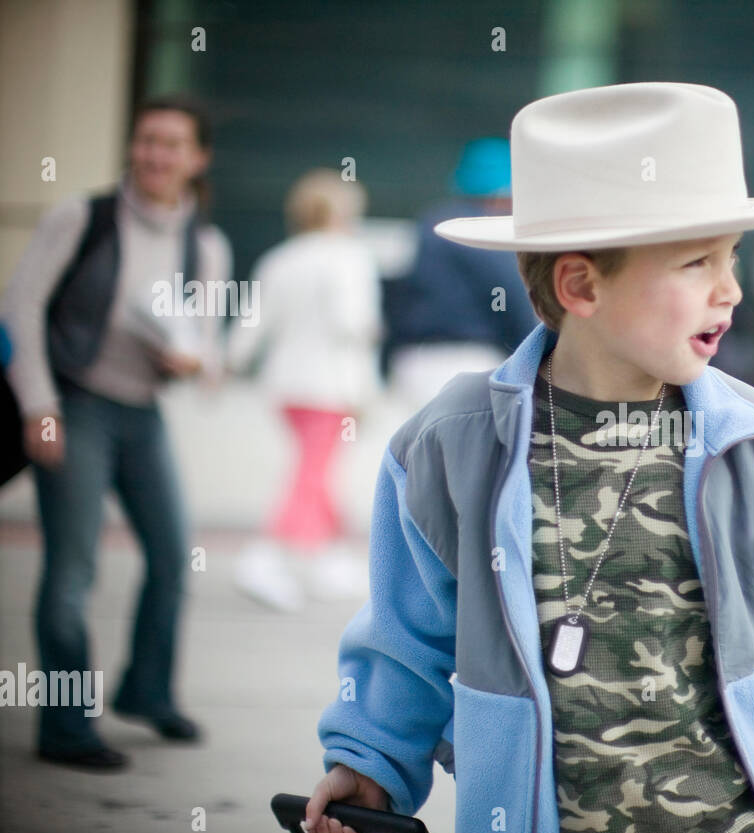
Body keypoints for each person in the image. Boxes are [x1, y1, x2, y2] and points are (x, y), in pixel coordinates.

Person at [304, 82, 754, 833]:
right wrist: (371, 760)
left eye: (732, 257)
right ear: (581, 285)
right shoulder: (451, 447)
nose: (729, 290)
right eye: (697, 261)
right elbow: (406, 635)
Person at [4, 95, 231, 769]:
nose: (156, 155)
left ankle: (147, 692)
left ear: (197, 158)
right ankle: (66, 728)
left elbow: (210, 349)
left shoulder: (205, 244)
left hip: (142, 412)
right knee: (74, 569)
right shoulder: (83, 216)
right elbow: (20, 306)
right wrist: (37, 405)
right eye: (146, 140)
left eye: (171, 144)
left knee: (171, 556)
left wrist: (192, 363)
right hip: (75, 402)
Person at [225, 169, 382, 612]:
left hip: (286, 387)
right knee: (312, 474)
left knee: (319, 471)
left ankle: (329, 561)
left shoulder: (281, 258)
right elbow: (354, 323)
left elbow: (252, 324)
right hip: (332, 387)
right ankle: (263, 558)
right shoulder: (349, 257)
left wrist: (227, 364)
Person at [383, 137, 539, 410]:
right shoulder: (483, 232)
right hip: (467, 362)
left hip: (410, 364)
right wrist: (539, 356)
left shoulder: (430, 222)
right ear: (502, 191)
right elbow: (513, 302)